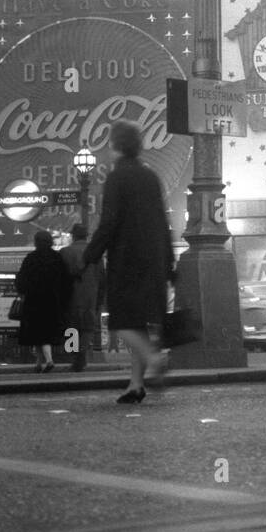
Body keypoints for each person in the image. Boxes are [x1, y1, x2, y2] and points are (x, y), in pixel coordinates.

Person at [83, 120, 176, 403]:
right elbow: (163, 221)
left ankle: (154, 359)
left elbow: (109, 221)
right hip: (155, 260)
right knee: (138, 324)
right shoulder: (150, 177)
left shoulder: (117, 177)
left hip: (128, 259)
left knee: (122, 321)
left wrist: (91, 253)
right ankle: (135, 385)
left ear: (115, 146)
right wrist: (169, 262)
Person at [14, 229, 72, 372]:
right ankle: (39, 362)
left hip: (34, 301)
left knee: (38, 333)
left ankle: (48, 360)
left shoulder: (31, 258)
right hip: (52, 302)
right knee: (46, 333)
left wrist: (23, 291)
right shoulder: (57, 258)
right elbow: (65, 281)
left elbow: (21, 280)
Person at [58, 223, 100, 373]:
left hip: (71, 296)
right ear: (87, 235)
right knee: (87, 327)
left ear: (73, 235)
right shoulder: (95, 253)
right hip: (90, 296)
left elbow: (59, 277)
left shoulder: (64, 252)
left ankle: (75, 356)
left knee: (71, 327)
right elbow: (101, 277)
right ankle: (81, 352)